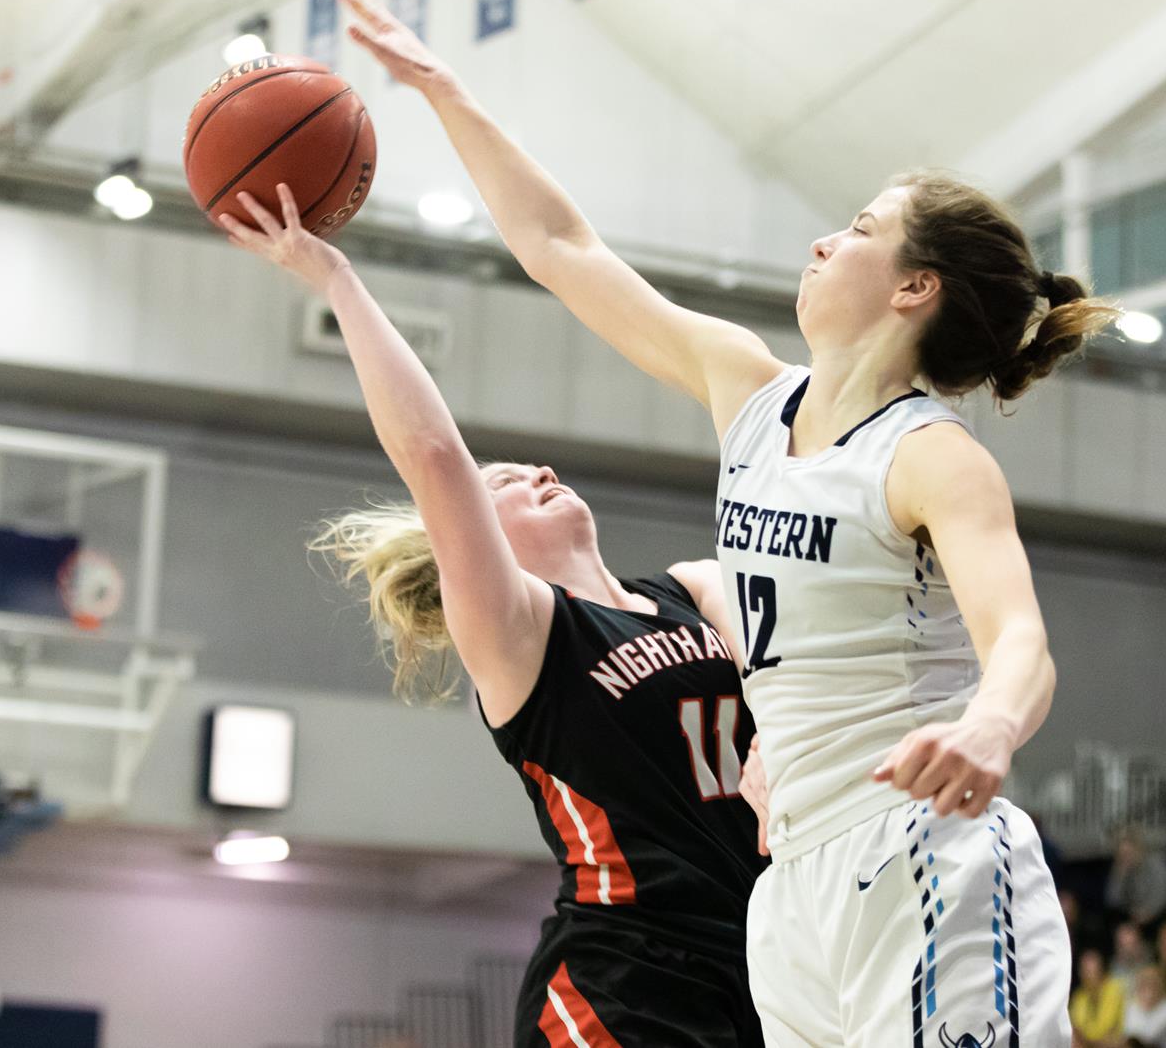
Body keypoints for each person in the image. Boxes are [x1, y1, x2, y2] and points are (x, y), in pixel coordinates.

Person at [328, 0, 1112, 1048]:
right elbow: (562, 250)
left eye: (859, 228)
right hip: (786, 890)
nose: (824, 242)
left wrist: (988, 723)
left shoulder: (929, 455)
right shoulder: (746, 391)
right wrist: (444, 93)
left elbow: (1017, 637)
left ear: (912, 287)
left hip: (917, 847)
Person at [224, 186, 765, 1045]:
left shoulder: (689, 590)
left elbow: (793, 651)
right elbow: (435, 457)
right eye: (504, 480)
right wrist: (336, 280)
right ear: (477, 541)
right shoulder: (524, 638)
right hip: (625, 977)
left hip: (762, 965)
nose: (538, 470)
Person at [1106, 828, 1166, 928]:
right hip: (1136, 919)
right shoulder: (1122, 869)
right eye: (1122, 855)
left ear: (1137, 849)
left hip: (1164, 914)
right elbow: (1112, 900)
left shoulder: (1155, 862)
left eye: (1128, 853)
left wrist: (1148, 911)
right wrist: (1119, 875)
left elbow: (1162, 893)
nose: (1126, 858)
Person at [1121, 965, 1166, 1048]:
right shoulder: (1132, 1006)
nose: (1148, 988)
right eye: (1144, 983)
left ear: (1163, 984)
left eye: (1153, 983)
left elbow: (1148, 1037)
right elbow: (1129, 1036)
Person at [1070, 950, 1125, 1048]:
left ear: (1102, 970)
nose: (1088, 976)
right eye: (1085, 971)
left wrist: (1086, 1039)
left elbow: (1107, 1030)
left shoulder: (1114, 990)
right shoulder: (1079, 997)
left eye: (1092, 971)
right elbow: (1076, 1030)